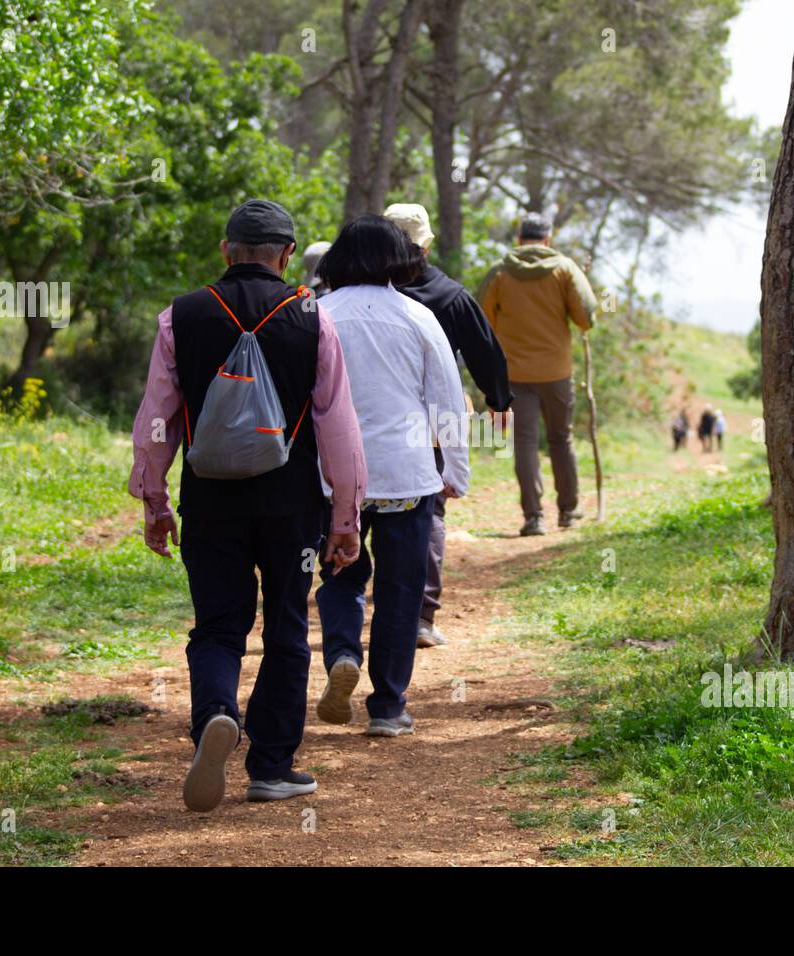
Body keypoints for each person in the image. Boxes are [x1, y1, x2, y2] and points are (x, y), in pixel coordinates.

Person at [129, 199, 367, 812]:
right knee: (287, 626)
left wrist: (155, 499)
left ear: (225, 249)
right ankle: (271, 766)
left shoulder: (178, 317)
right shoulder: (313, 317)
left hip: (209, 499)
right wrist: (346, 517)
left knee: (217, 626)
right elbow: (338, 426)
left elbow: (157, 419)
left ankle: (215, 714)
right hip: (292, 509)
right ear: (288, 255)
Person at [313, 215, 470, 738]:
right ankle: (387, 707)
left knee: (339, 574)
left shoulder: (317, 314)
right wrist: (455, 470)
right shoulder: (419, 316)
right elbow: (446, 400)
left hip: (332, 479)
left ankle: (340, 653)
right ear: (399, 260)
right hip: (407, 476)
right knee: (402, 590)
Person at [384, 202, 511, 649]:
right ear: (428, 244)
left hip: (368, 420)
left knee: (357, 505)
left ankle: (349, 605)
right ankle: (420, 614)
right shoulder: (449, 295)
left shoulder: (354, 290)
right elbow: (485, 351)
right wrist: (499, 401)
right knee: (430, 508)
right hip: (432, 421)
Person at [477, 212, 597, 536]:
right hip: (556, 372)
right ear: (548, 238)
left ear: (519, 239)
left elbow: (480, 320)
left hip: (514, 373)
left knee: (525, 443)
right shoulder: (565, 269)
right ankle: (569, 511)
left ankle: (534, 518)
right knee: (562, 438)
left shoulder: (500, 271)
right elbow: (586, 318)